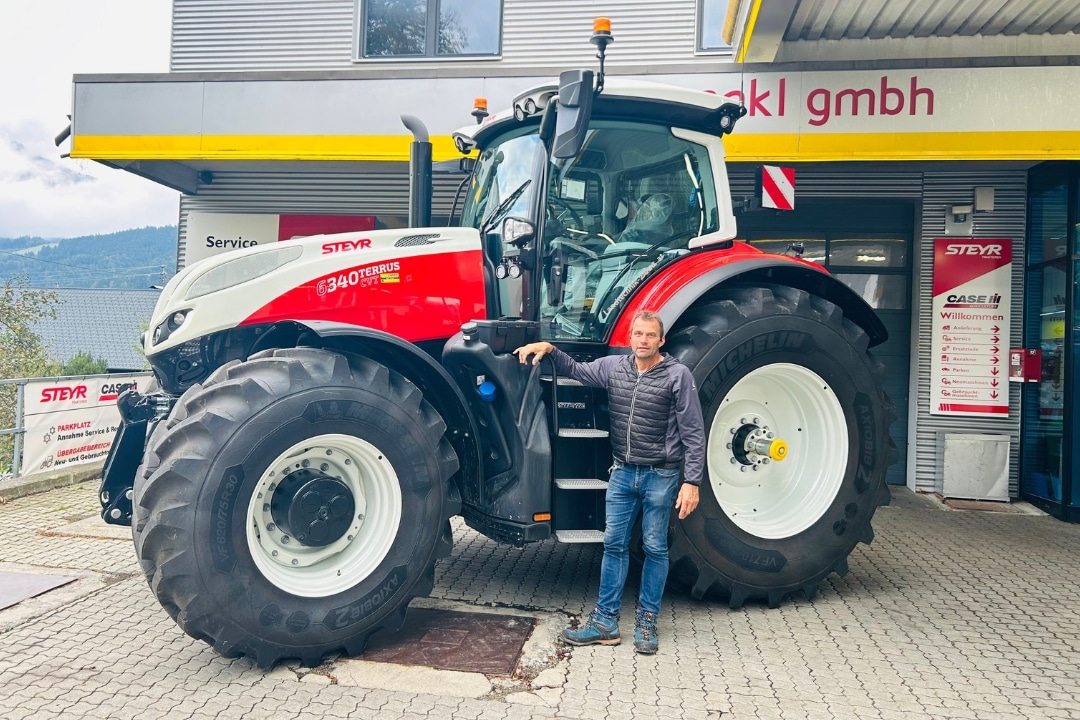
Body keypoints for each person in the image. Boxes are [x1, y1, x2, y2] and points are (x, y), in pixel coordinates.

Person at [513, 310, 704, 654]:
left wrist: (692, 481)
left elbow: (693, 432)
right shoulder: (615, 367)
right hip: (622, 473)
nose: (643, 340)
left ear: (661, 341)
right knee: (614, 544)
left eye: (650, 335)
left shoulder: (678, 375)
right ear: (630, 338)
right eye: (638, 334)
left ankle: (647, 621)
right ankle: (605, 623)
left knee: (654, 547)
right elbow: (577, 371)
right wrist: (550, 349)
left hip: (661, 474)